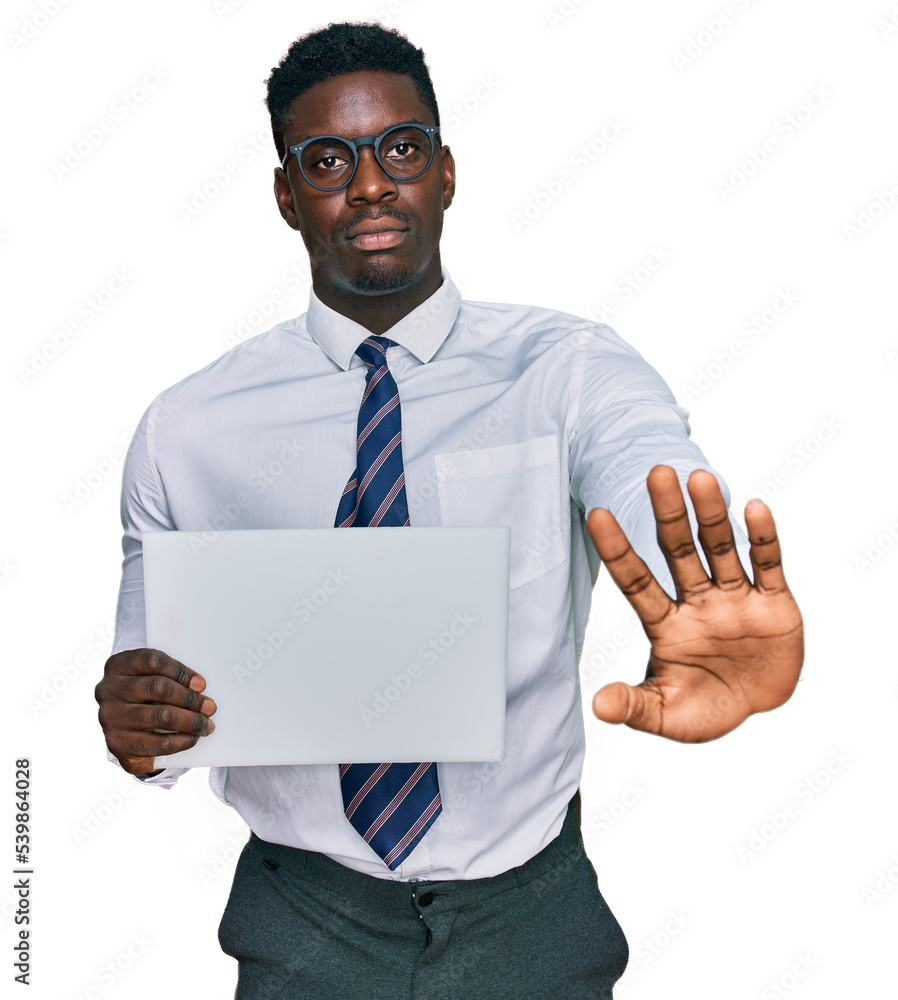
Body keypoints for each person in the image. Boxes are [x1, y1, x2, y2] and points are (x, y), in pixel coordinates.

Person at [94, 21, 804, 999]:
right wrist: (137, 728)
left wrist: (695, 596)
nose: (372, 182)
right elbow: (155, 697)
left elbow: (642, 459)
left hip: (532, 913)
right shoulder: (186, 429)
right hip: (300, 918)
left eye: (401, 147)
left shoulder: (567, 369)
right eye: (328, 158)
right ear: (285, 195)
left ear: (446, 170)